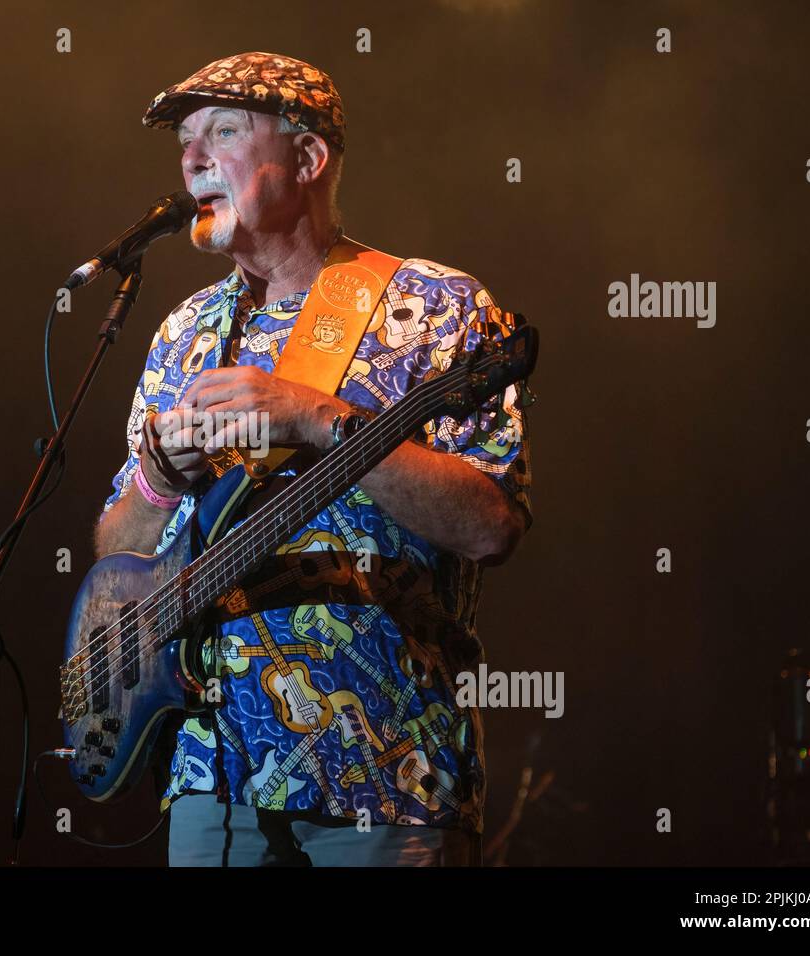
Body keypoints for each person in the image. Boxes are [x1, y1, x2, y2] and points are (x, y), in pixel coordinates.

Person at [92, 52, 533, 866]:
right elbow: (118, 553)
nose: (191, 158)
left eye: (223, 131)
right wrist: (158, 479)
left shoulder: (434, 306)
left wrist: (321, 417)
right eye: (184, 140)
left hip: (384, 770)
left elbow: (489, 526)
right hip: (207, 772)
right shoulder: (182, 334)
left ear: (307, 158)